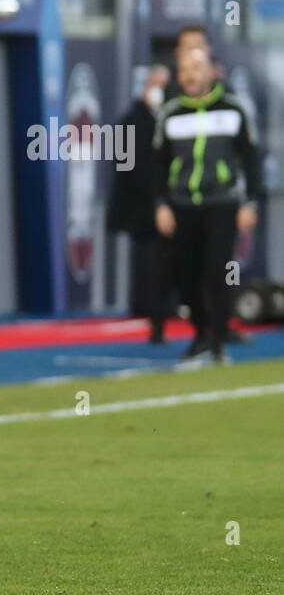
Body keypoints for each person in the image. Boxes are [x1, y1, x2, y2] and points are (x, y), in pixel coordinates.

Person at [152, 47, 263, 362]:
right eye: (184, 69)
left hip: (221, 203)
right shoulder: (171, 113)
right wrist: (161, 205)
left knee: (219, 271)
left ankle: (217, 338)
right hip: (182, 204)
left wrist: (250, 203)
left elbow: (250, 159)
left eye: (196, 68)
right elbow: (158, 165)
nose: (189, 75)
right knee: (185, 274)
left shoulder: (233, 109)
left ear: (210, 72)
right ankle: (201, 332)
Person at [106, 65, 172, 342]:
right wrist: (154, 197)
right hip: (141, 208)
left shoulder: (169, 118)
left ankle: (161, 310)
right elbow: (124, 165)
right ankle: (147, 309)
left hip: (166, 205)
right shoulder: (129, 120)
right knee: (148, 260)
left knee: (163, 261)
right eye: (154, 84)